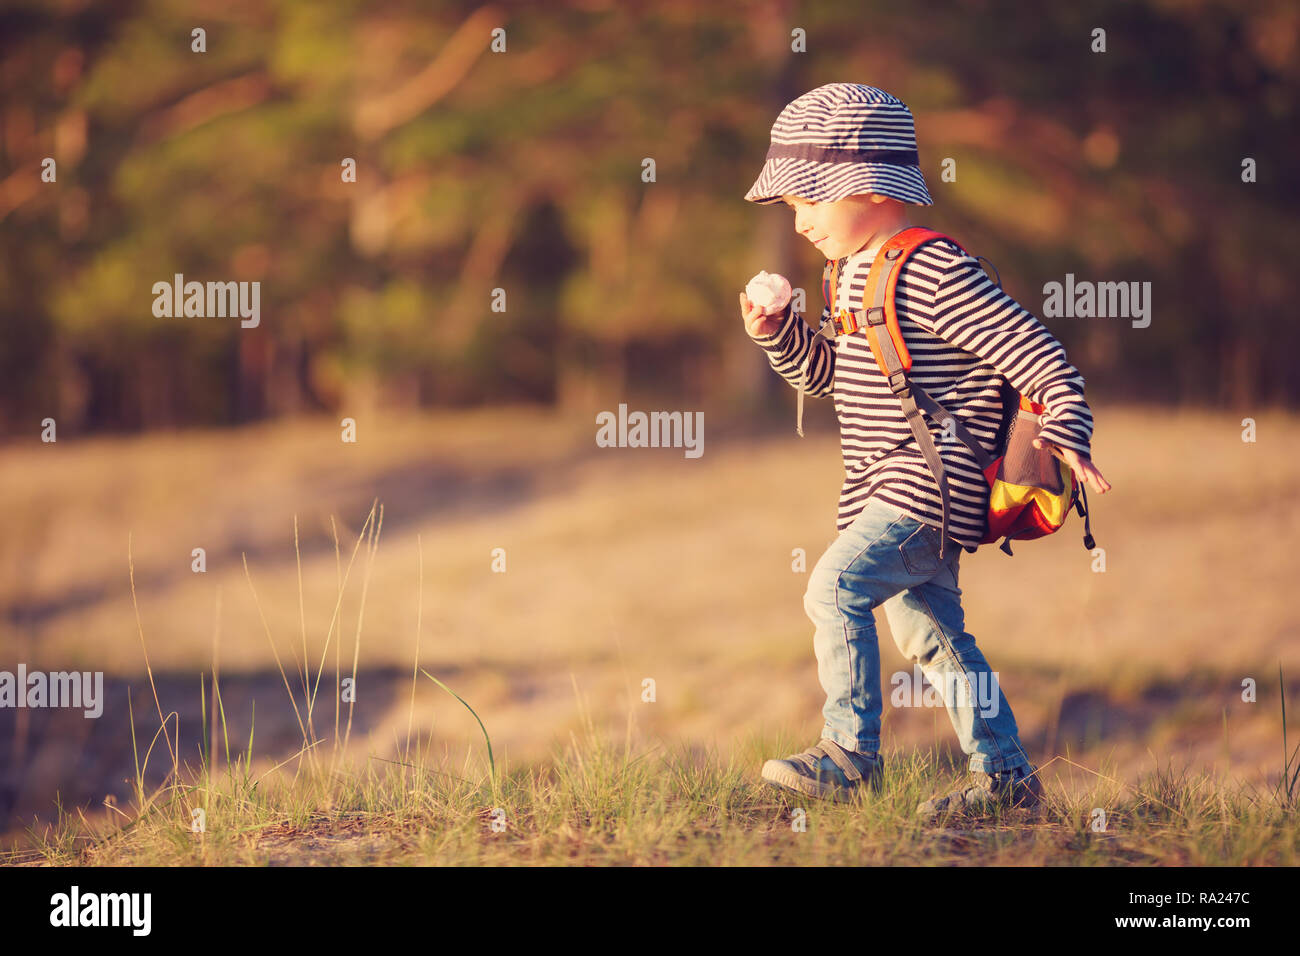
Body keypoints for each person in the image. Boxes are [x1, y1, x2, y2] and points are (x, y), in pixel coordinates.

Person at [738, 83, 1112, 821]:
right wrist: (778, 333)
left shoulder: (936, 272)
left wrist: (1067, 424)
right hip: (879, 489)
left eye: (810, 197)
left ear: (869, 183)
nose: (799, 218)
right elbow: (830, 379)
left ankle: (848, 753)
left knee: (833, 589)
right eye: (790, 204)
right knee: (932, 637)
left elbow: (1038, 355)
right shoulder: (845, 273)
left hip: (925, 488)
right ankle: (1006, 777)